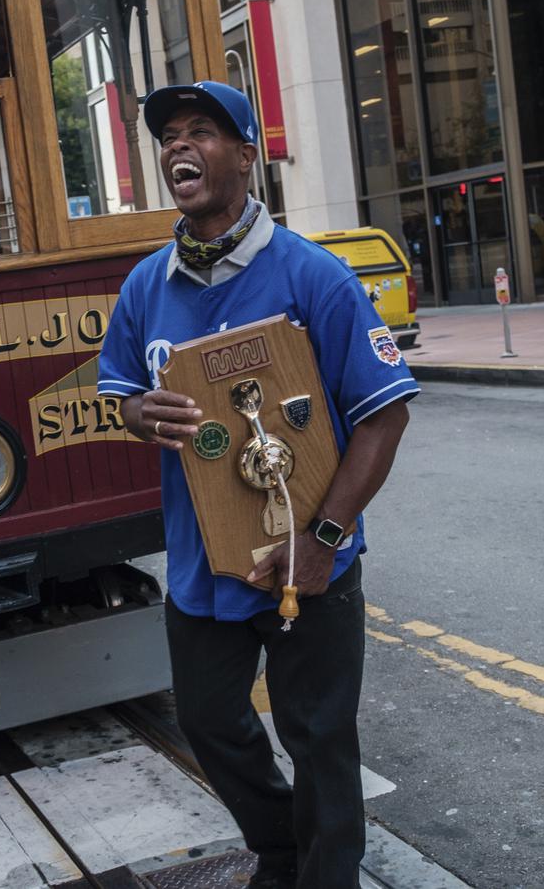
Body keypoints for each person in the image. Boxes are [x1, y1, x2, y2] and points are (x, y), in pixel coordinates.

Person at [96, 81, 417, 889]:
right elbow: (120, 397)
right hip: (203, 566)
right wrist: (144, 413)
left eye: (200, 131)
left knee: (318, 738)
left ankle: (325, 878)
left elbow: (383, 417)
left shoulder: (316, 279)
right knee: (209, 722)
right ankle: (279, 854)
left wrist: (324, 541)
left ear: (245, 156)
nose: (177, 147)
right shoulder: (144, 288)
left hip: (310, 560)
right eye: (168, 135)